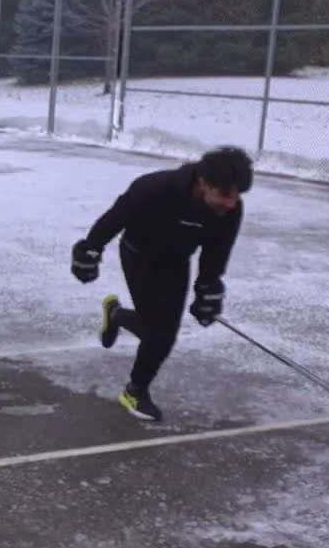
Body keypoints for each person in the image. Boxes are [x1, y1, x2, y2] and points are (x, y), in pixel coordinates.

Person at [71, 146, 254, 422]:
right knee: (159, 332)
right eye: (225, 194)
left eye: (237, 195)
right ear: (204, 183)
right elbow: (113, 219)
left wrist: (208, 289)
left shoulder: (230, 211)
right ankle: (135, 390)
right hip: (139, 256)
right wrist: (90, 251)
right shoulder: (154, 188)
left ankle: (116, 315)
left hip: (177, 262)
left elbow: (216, 253)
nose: (232, 203)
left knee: (163, 333)